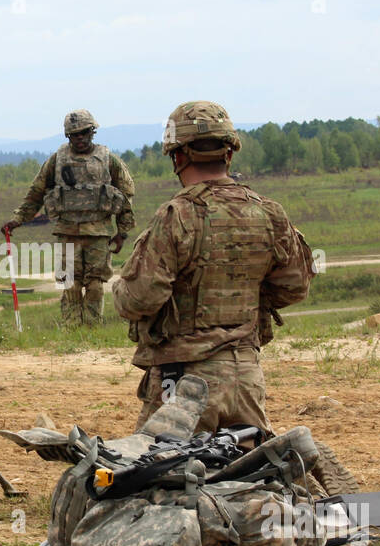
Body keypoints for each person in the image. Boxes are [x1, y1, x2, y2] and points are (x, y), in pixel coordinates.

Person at [113, 101, 314, 435]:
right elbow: (294, 286)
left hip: (185, 382)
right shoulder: (270, 213)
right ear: (229, 154)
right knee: (251, 476)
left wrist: (120, 288)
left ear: (177, 156)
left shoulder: (177, 216)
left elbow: (139, 298)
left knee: (154, 475)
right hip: (246, 378)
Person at [2, 109, 134, 325]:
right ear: (68, 136)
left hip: (98, 233)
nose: (79, 138)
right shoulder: (57, 160)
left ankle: (92, 330)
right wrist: (17, 219)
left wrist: (122, 233)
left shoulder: (108, 160)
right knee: (69, 283)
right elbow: (36, 193)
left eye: (83, 133)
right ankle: (71, 331)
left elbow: (125, 194)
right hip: (67, 233)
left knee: (94, 284)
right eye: (74, 134)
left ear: (92, 132)